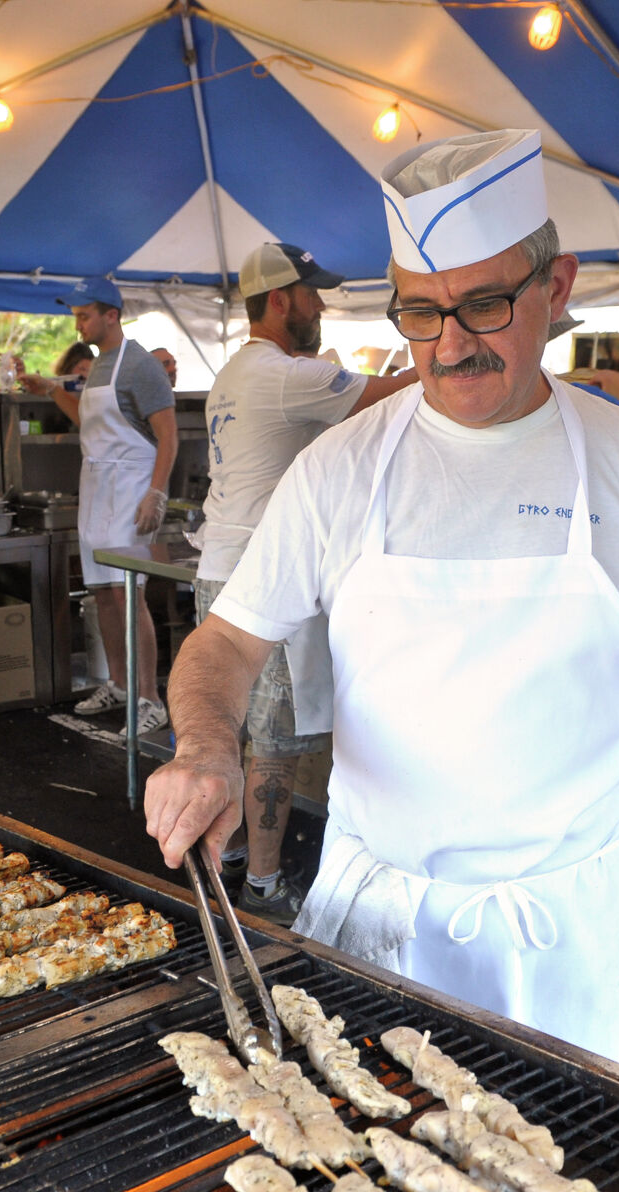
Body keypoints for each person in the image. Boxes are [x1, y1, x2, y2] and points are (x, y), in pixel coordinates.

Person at [145, 130, 619, 1068]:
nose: (451, 344)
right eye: (421, 314)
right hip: (379, 925)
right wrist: (203, 746)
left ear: (556, 290)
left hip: (572, 932)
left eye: (483, 304)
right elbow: (226, 643)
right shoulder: (341, 468)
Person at [196, 240, 419, 921]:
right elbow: (389, 397)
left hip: (218, 570)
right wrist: (439, 348)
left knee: (232, 729)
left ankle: (230, 856)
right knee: (274, 740)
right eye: (313, 294)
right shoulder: (286, 374)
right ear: (281, 299)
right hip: (267, 581)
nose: (320, 306)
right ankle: (264, 888)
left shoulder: (236, 372)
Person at [20, 278, 178, 734]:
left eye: (84, 314)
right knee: (103, 594)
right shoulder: (100, 365)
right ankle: (121, 684)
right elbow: (88, 421)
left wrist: (156, 492)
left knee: (130, 593)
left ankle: (150, 698)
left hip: (131, 487)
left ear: (112, 314)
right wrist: (51, 389)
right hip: (96, 486)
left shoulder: (140, 365)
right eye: (75, 315)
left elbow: (168, 433)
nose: (78, 323)